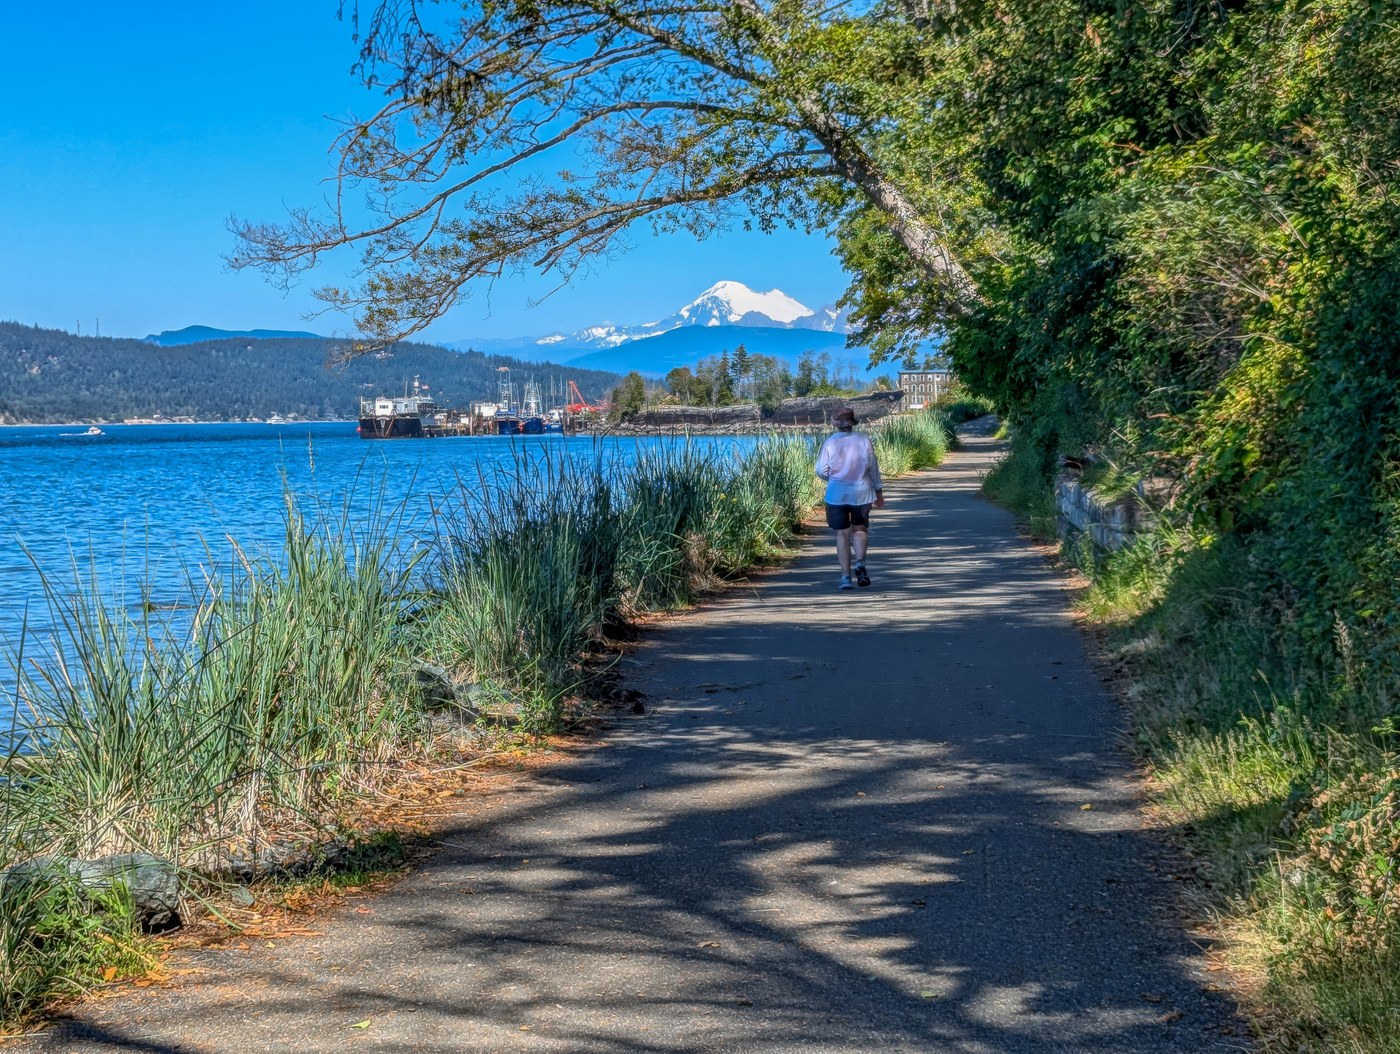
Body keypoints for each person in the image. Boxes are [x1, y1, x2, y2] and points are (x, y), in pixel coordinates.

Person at [816, 407, 884, 590]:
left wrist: (833, 478)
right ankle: (860, 561)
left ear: (836, 424)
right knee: (860, 530)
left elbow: (821, 470)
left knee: (842, 534)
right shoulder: (863, 440)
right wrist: (878, 491)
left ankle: (845, 577)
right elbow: (873, 467)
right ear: (852, 423)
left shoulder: (830, 442)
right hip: (861, 492)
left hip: (836, 493)